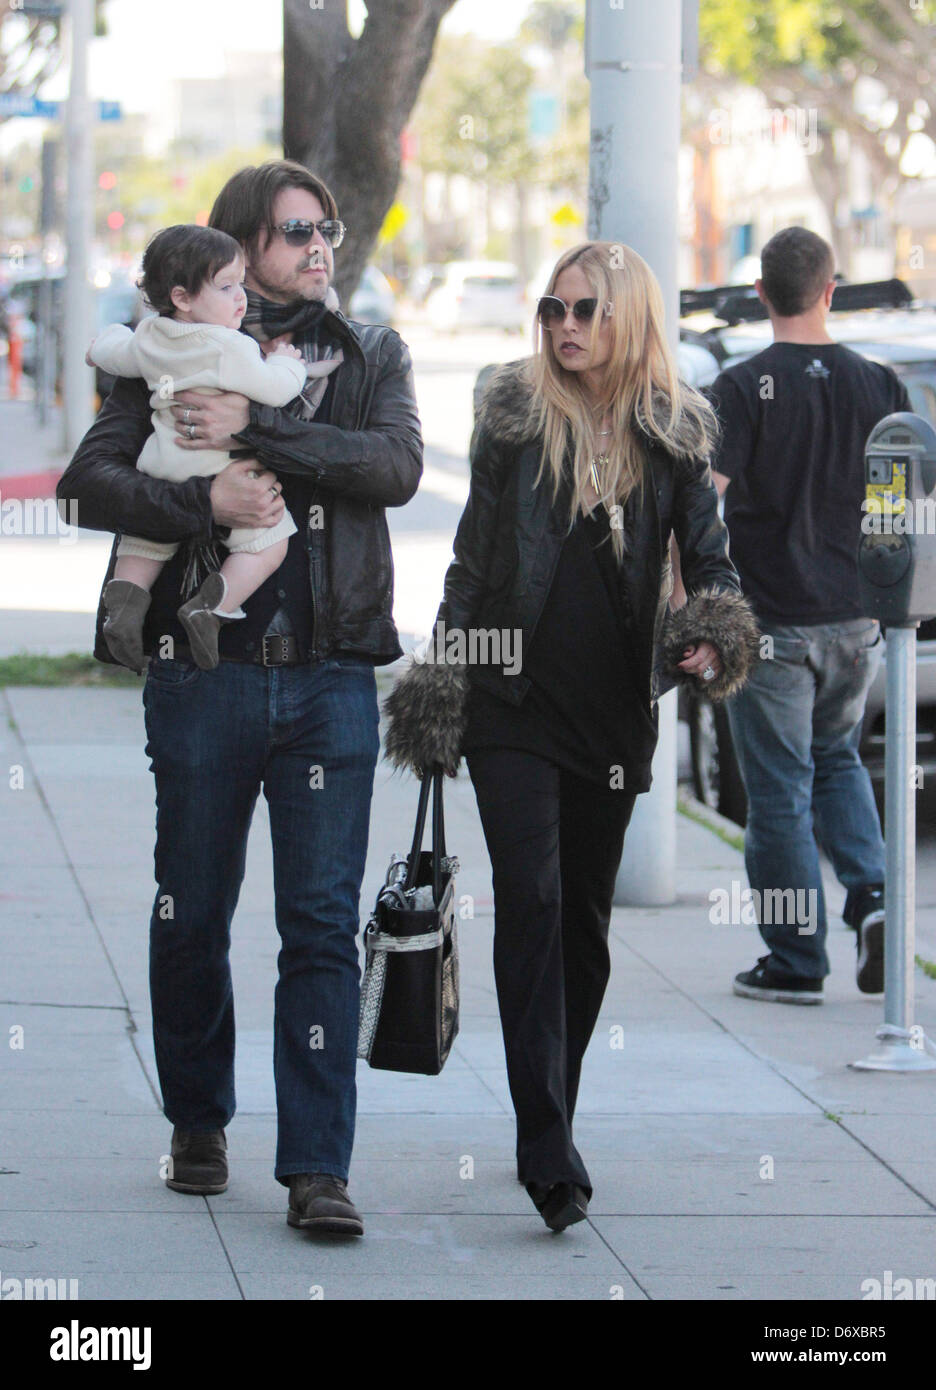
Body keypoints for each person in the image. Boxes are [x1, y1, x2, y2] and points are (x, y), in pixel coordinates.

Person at [56, 159, 423, 1237]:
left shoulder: (371, 354)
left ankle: (317, 1167)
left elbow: (394, 465)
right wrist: (202, 493)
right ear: (239, 249)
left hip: (332, 678)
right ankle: (198, 1122)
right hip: (202, 676)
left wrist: (260, 436)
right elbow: (90, 483)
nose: (321, 249)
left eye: (330, 230)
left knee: (319, 927)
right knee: (193, 910)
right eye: (295, 232)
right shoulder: (167, 355)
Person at [384, 241, 758, 1231]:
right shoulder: (515, 422)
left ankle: (555, 1106)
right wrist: (441, 682)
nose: (565, 325)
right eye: (553, 307)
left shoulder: (674, 437)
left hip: (612, 717)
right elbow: (471, 560)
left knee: (583, 929)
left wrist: (712, 641)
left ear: (626, 317)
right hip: (512, 700)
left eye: (585, 309)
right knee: (534, 903)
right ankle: (546, 1143)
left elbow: (711, 565)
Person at [707, 226, 912, 1004]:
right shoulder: (880, 386)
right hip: (856, 620)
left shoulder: (742, 385)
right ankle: (874, 899)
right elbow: (895, 514)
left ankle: (795, 961)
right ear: (832, 289)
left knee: (781, 791)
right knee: (840, 762)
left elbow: (706, 499)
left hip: (771, 626)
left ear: (761, 294)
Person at [87, 224, 311, 673]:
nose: (240, 297)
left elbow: (117, 352)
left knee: (146, 538)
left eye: (240, 283)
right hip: (218, 465)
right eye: (226, 287)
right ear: (183, 297)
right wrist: (289, 364)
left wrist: (97, 347)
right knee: (271, 539)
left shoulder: (151, 335)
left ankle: (126, 604)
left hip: (161, 462)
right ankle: (213, 607)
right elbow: (274, 390)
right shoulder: (231, 345)